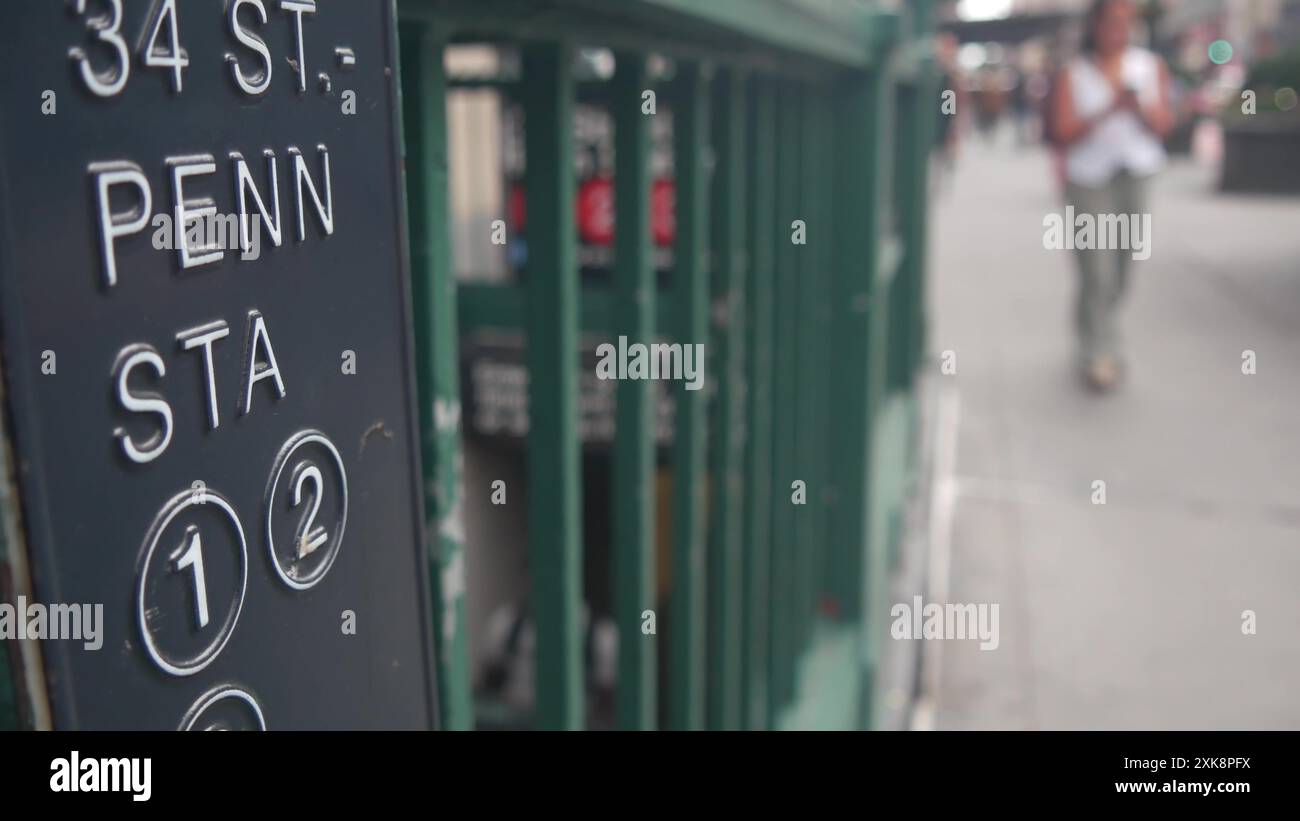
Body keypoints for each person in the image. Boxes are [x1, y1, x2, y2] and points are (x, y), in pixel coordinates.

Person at [1049, 0, 1173, 392]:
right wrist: (1107, 109)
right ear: (1096, 25)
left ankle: (1094, 326)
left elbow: (1164, 125)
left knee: (1122, 264)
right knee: (1096, 268)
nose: (1120, 29)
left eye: (1126, 22)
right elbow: (1062, 131)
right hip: (1089, 179)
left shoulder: (1150, 67)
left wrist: (1138, 110)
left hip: (1135, 173)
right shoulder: (1075, 72)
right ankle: (1099, 351)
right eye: (1113, 21)